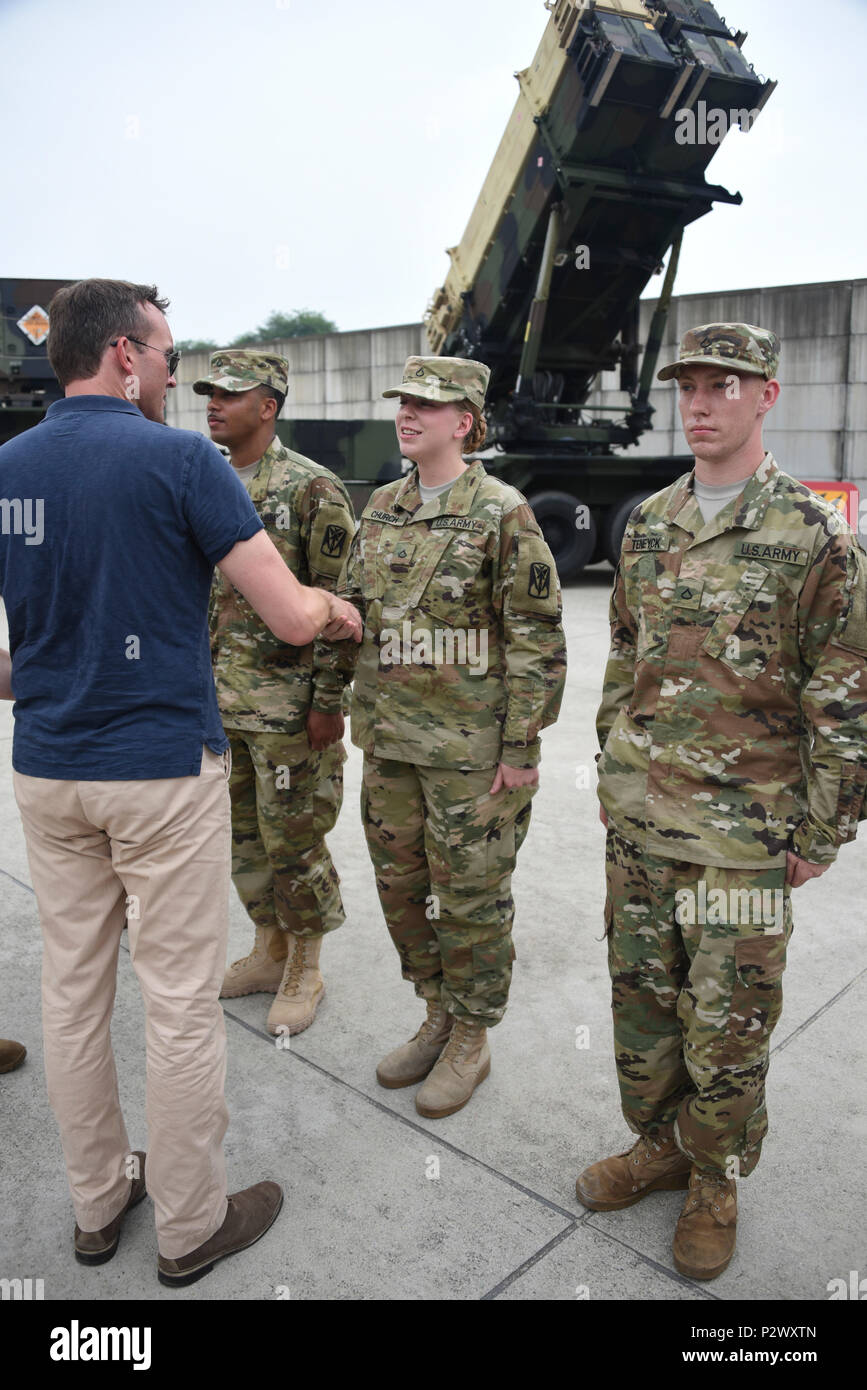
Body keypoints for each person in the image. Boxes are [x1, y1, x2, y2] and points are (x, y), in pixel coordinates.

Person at [0, 278, 360, 1287]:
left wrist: (55, 664)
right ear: (122, 352)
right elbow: (287, 616)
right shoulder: (180, 463)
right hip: (160, 773)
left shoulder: (8, 470)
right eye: (164, 354)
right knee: (177, 1004)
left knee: (70, 998)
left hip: (50, 772)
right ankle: (193, 1223)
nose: (172, 373)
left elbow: (5, 664)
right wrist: (336, 607)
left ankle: (97, 1200)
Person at [577, 323, 867, 1280]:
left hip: (744, 834)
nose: (699, 403)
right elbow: (626, 649)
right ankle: (658, 1146)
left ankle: (714, 1178)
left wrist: (823, 826)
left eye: (723, 385)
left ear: (765, 396)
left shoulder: (813, 533)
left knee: (727, 1019)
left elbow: (845, 688)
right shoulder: (652, 519)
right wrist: (612, 757)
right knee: (643, 1003)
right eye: (688, 386)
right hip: (642, 821)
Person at [341, 356, 567, 1117]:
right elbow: (351, 612)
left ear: (464, 422)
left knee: (469, 897)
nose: (407, 415)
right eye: (403, 402)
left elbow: (536, 638)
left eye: (426, 406)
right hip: (390, 744)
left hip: (470, 753)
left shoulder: (502, 512)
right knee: (403, 891)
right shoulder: (379, 507)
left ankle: (471, 1035)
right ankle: (434, 1009)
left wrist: (520, 749)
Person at [194, 351, 357, 1036]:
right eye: (208, 391)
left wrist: (327, 702)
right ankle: (269, 947)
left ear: (269, 405)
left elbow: (343, 604)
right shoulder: (197, 478)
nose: (212, 403)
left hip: (288, 709)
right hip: (215, 700)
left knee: (294, 841)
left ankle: (305, 964)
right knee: (241, 838)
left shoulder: (311, 489)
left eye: (231, 394)